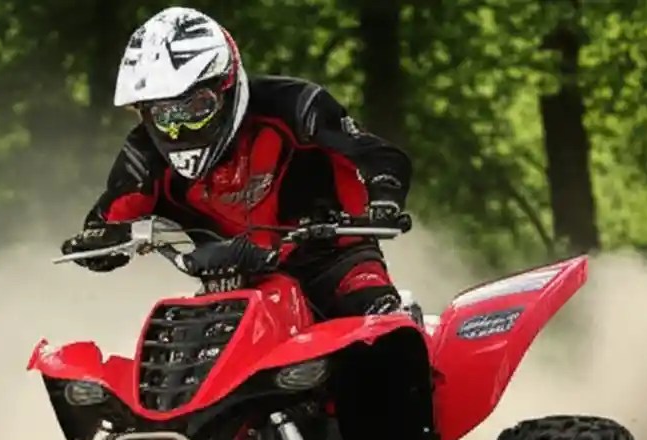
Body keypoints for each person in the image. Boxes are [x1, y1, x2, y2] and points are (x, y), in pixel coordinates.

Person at [61, 5, 413, 318]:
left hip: (335, 263)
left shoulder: (295, 107)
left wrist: (383, 199)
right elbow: (107, 221)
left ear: (227, 86)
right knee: (173, 363)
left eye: (196, 109)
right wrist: (97, 246)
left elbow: (381, 157)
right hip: (234, 288)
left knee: (383, 332)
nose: (178, 130)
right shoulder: (145, 152)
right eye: (163, 115)